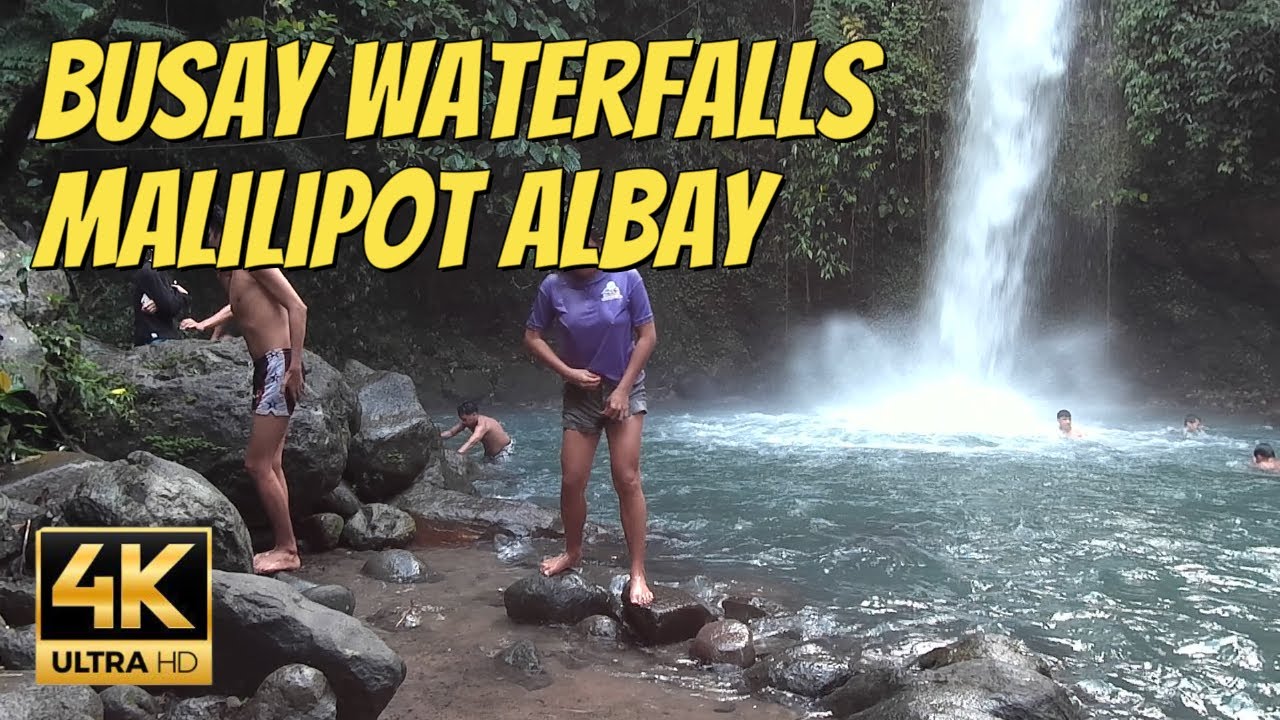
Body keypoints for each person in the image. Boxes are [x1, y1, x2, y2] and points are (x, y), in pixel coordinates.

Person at [523, 234, 658, 607]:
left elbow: (647, 337)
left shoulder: (626, 277)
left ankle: (637, 572)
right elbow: (532, 337)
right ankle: (573, 552)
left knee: (626, 477)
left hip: (624, 385)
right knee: (571, 478)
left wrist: (622, 391)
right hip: (580, 392)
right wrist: (567, 372)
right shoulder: (553, 285)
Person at [202, 204, 310, 574]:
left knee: (256, 464)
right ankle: (287, 543)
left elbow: (298, 307)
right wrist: (207, 323)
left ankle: (287, 549)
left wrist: (294, 366)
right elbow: (239, 307)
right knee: (272, 463)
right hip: (267, 366)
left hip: (280, 365)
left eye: (209, 236)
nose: (208, 244)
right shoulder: (235, 268)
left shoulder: (252, 255)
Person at [132, 248, 190, 346]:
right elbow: (170, 306)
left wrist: (162, 302)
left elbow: (170, 305)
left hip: (164, 335)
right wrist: (182, 295)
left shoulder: (163, 273)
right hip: (154, 337)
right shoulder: (150, 271)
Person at [441, 401, 513, 461]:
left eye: (465, 419)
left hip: (504, 451)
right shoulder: (468, 422)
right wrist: (436, 436)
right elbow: (451, 433)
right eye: (462, 419)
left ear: (474, 414)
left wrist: (458, 454)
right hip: (490, 454)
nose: (463, 422)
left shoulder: (482, 425)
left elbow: (472, 441)